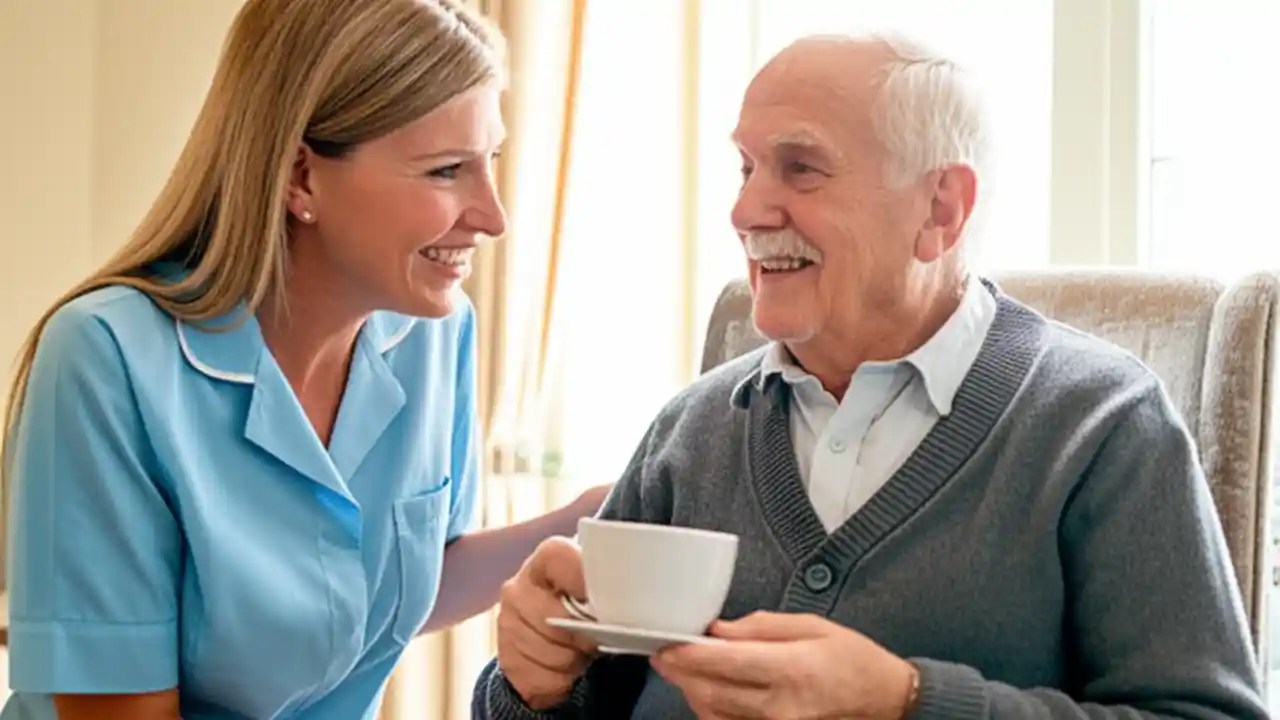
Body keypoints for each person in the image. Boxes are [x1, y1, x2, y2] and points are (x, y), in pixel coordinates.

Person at [472, 33, 1269, 720]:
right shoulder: (692, 429)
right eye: (746, 168)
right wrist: (525, 682)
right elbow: (571, 697)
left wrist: (905, 700)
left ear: (941, 211)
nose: (747, 210)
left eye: (801, 169)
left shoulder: (1103, 425)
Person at [0, 1, 608, 718]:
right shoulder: (106, 361)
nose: (492, 215)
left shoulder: (435, 335)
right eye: (447, 171)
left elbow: (389, 581)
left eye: (491, 162)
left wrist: (589, 519)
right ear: (300, 177)